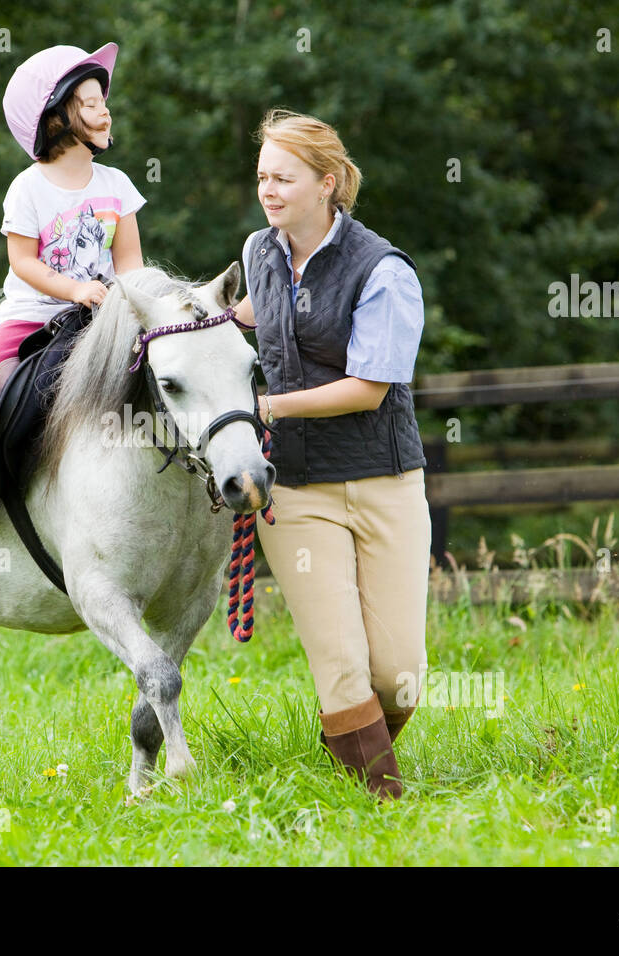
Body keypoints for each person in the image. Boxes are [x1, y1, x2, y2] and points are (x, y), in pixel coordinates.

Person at [233, 108, 431, 800]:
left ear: (327, 182)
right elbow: (248, 314)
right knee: (341, 663)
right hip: (295, 488)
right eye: (262, 176)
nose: (268, 189)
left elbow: (370, 387)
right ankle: (383, 804)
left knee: (399, 671)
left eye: (283, 177)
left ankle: (349, 747)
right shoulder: (261, 253)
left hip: (386, 481)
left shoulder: (382, 270)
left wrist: (269, 408)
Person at [0, 42, 146, 529]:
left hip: (103, 315)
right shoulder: (28, 187)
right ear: (57, 117)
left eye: (105, 101)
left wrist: (136, 304)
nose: (106, 111)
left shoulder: (117, 185)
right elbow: (22, 262)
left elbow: (131, 262)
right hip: (34, 314)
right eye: (93, 103)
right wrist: (74, 290)